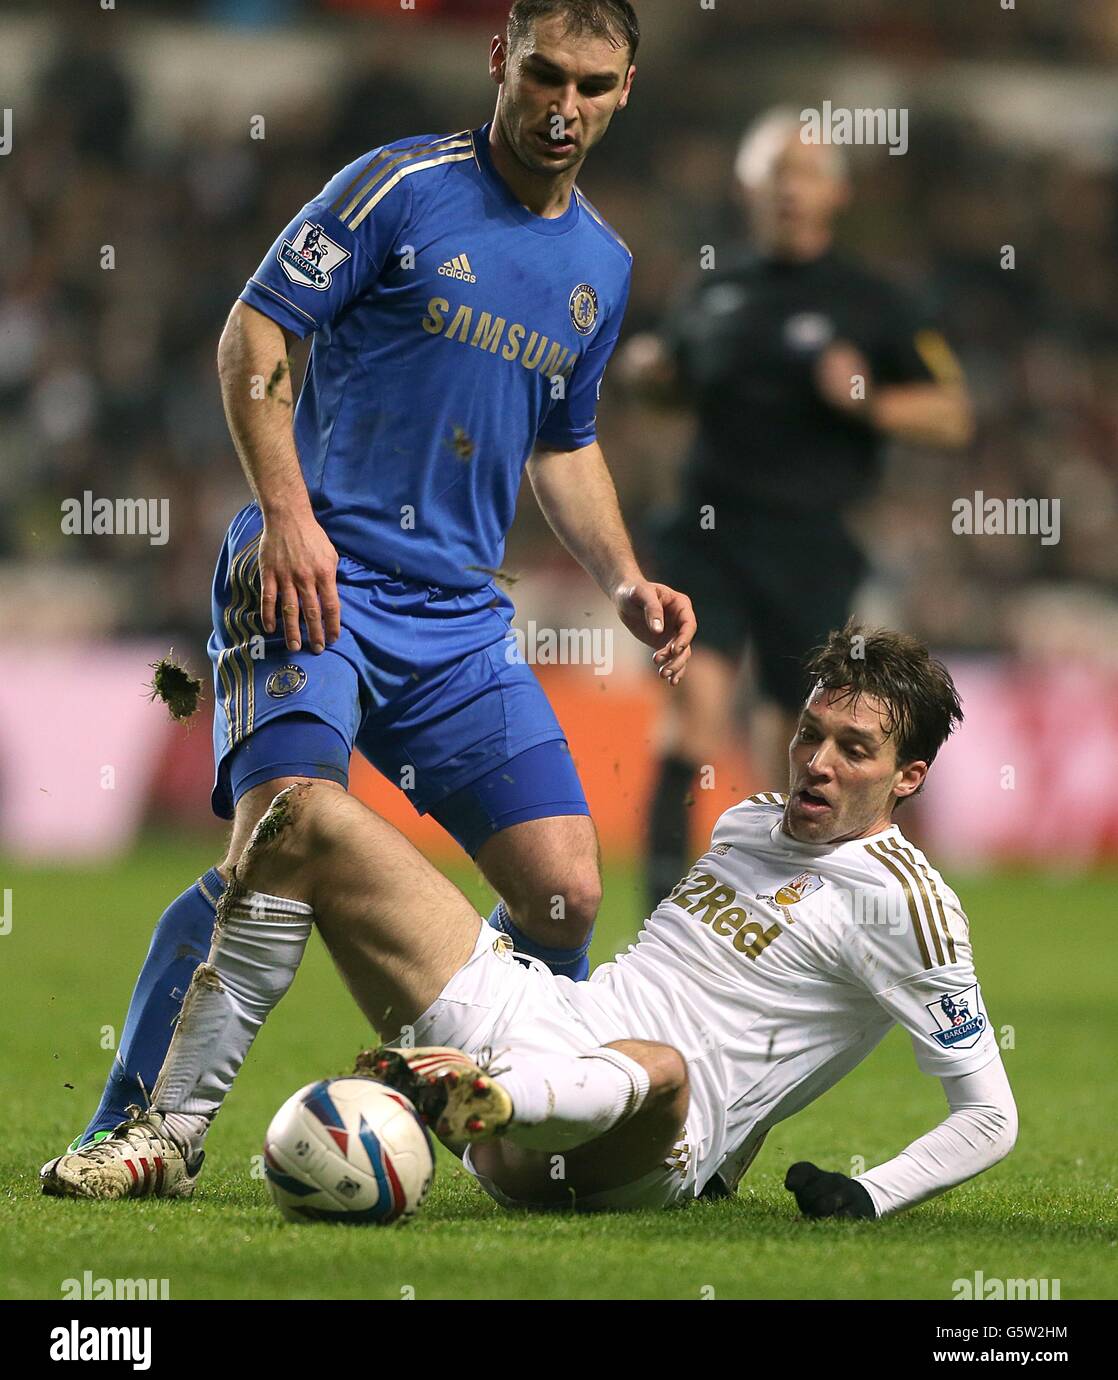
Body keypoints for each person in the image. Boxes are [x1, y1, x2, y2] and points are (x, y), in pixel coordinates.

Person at [43, 0, 699, 1174]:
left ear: (625, 92)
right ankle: (147, 1129)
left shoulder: (600, 263)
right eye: (545, 74)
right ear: (499, 60)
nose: (564, 107)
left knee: (561, 891)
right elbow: (253, 339)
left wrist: (625, 576)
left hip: (460, 620)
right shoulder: (397, 187)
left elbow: (564, 442)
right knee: (286, 824)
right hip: (316, 583)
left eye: (593, 87)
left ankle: (490, 1105)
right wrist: (289, 520)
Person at [43, 624, 1016, 1222]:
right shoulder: (746, 821)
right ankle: (170, 1130)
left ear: (907, 776)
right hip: (547, 1018)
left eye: (854, 748)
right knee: (307, 818)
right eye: (810, 732)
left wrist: (869, 1191)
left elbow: (988, 1115)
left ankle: (481, 1095)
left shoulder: (906, 902)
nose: (817, 760)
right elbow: (745, 1008)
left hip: (639, 1144)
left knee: (665, 1063)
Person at [620, 107, 974, 912]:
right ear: (748, 186)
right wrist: (649, 373)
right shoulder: (713, 288)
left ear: (837, 192)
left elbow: (952, 413)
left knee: (805, 741)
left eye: (806, 171)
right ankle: (659, 925)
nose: (790, 187)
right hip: (708, 536)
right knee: (693, 714)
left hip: (812, 545)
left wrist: (869, 400)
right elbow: (670, 386)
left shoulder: (876, 300)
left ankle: (800, 914)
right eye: (775, 170)